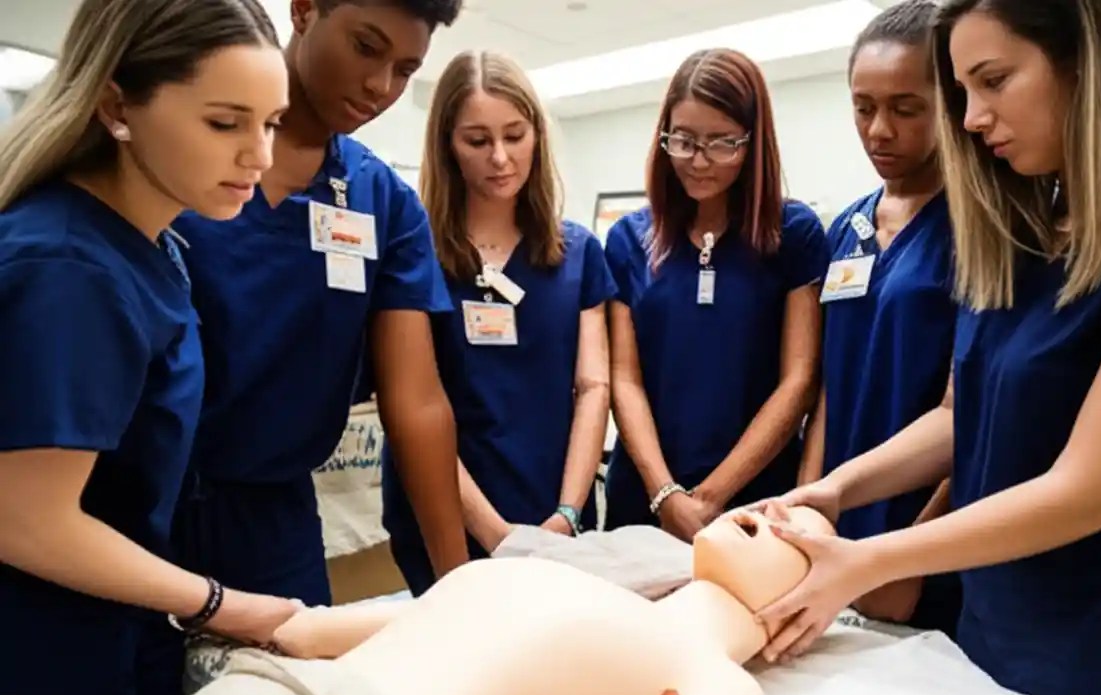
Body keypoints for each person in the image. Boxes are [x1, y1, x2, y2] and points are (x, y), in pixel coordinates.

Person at [752, 1, 1101, 695]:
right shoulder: (1018, 240)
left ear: (1086, 64)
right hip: (997, 637)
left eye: (993, 81)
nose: (969, 118)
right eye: (963, 92)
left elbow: (1086, 490)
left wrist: (870, 561)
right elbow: (959, 417)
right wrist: (838, 491)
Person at [0, 1, 302, 695]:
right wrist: (218, 604)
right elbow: (25, 519)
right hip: (38, 655)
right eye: (225, 123)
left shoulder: (152, 247)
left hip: (105, 632)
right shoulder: (70, 266)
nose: (259, 155)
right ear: (115, 105)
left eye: (271, 123)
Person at [171, 0, 469, 609]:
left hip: (275, 524)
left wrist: (456, 589)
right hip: (140, 504)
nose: (380, 86)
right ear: (304, 9)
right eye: (366, 47)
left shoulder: (379, 201)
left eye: (406, 70)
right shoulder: (176, 152)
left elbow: (415, 401)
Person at [172, 508, 838, 695]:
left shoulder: (719, 682)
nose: (774, 511)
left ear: (798, 615)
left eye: (799, 530)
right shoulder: (561, 581)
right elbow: (309, 630)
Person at [381, 50, 617, 594]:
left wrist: (566, 515)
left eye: (515, 135)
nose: (501, 158)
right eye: (477, 140)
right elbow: (414, 406)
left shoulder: (577, 252)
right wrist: (494, 533)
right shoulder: (414, 255)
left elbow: (592, 387)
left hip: (557, 516)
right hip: (445, 520)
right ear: (447, 145)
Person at [604, 48, 828, 541]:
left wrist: (709, 498)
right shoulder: (627, 240)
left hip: (755, 504)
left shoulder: (794, 235)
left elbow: (799, 381)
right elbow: (624, 378)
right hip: (643, 497)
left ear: (754, 141)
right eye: (682, 141)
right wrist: (666, 495)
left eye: (722, 143)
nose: (698, 161)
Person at [798, 0, 961, 635]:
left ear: (948, 104)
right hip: (841, 520)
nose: (879, 130)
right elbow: (829, 392)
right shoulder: (848, 228)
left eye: (905, 108)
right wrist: (809, 514)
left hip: (930, 536)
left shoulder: (983, 231)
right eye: (864, 107)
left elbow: (974, 414)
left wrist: (909, 559)